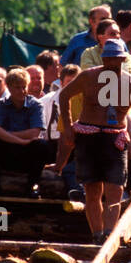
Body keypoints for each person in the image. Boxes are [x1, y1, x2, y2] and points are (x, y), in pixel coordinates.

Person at [57, 39, 131, 242]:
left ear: (123, 59)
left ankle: (109, 234)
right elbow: (64, 95)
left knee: (115, 189)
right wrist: (68, 128)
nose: (113, 63)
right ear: (104, 58)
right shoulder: (88, 76)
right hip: (88, 137)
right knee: (93, 190)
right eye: (109, 59)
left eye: (117, 59)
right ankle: (97, 234)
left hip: (115, 139)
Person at [0, 68, 51, 197]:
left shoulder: (35, 105)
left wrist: (6, 135)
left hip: (26, 155)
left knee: (41, 145)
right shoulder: (2, 104)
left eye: (24, 87)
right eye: (17, 88)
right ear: (10, 88)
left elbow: (34, 133)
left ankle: (33, 183)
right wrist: (20, 140)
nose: (22, 91)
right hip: (7, 152)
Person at [40, 64, 83, 200]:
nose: (72, 87)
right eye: (69, 83)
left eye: (76, 83)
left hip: (75, 146)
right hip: (54, 145)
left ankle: (76, 191)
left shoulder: (84, 100)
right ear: (62, 83)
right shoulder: (47, 101)